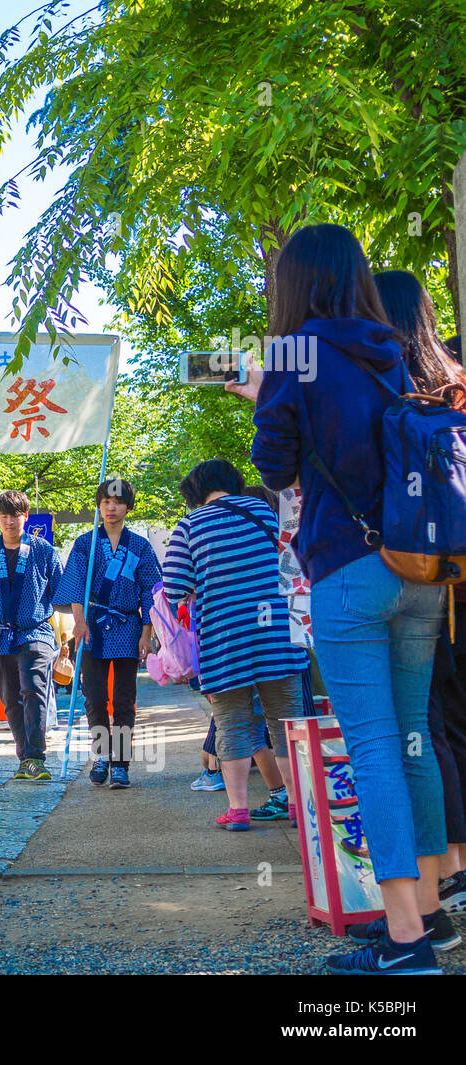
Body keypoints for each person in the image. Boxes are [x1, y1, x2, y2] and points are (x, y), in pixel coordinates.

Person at [248, 223, 452, 974]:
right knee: (412, 739)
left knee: (372, 749)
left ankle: (405, 940)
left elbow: (274, 467)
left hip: (348, 571)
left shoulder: (294, 354)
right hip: (419, 571)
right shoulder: (394, 350)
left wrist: (262, 397)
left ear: (295, 284)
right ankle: (429, 909)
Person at [372, 269, 466, 913]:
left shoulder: (386, 392)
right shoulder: (454, 384)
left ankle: (447, 870)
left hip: (417, 580)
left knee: (423, 727)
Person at [162, 460, 308, 831]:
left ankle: (238, 809)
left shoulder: (190, 526)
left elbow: (175, 587)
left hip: (225, 640)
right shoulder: (265, 510)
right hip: (277, 633)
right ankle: (296, 804)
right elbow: (293, 561)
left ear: (196, 491)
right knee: (285, 723)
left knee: (233, 725)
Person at [57, 478, 161, 789]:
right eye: (105, 502)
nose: (110, 507)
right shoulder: (85, 543)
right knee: (95, 698)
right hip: (93, 627)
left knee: (124, 700)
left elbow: (150, 593)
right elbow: (76, 586)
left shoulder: (140, 546)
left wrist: (147, 634)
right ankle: (101, 755)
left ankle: (121, 764)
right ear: (99, 506)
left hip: (129, 628)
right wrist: (79, 621)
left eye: (116, 502)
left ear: (128, 506)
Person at [0, 489, 65, 781]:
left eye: (16, 515)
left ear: (26, 516)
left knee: (33, 690)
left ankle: (36, 756)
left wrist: (70, 631)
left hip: (35, 630)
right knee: (10, 697)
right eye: (5, 515)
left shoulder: (43, 550)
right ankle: (25, 757)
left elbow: (59, 592)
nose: (10, 521)